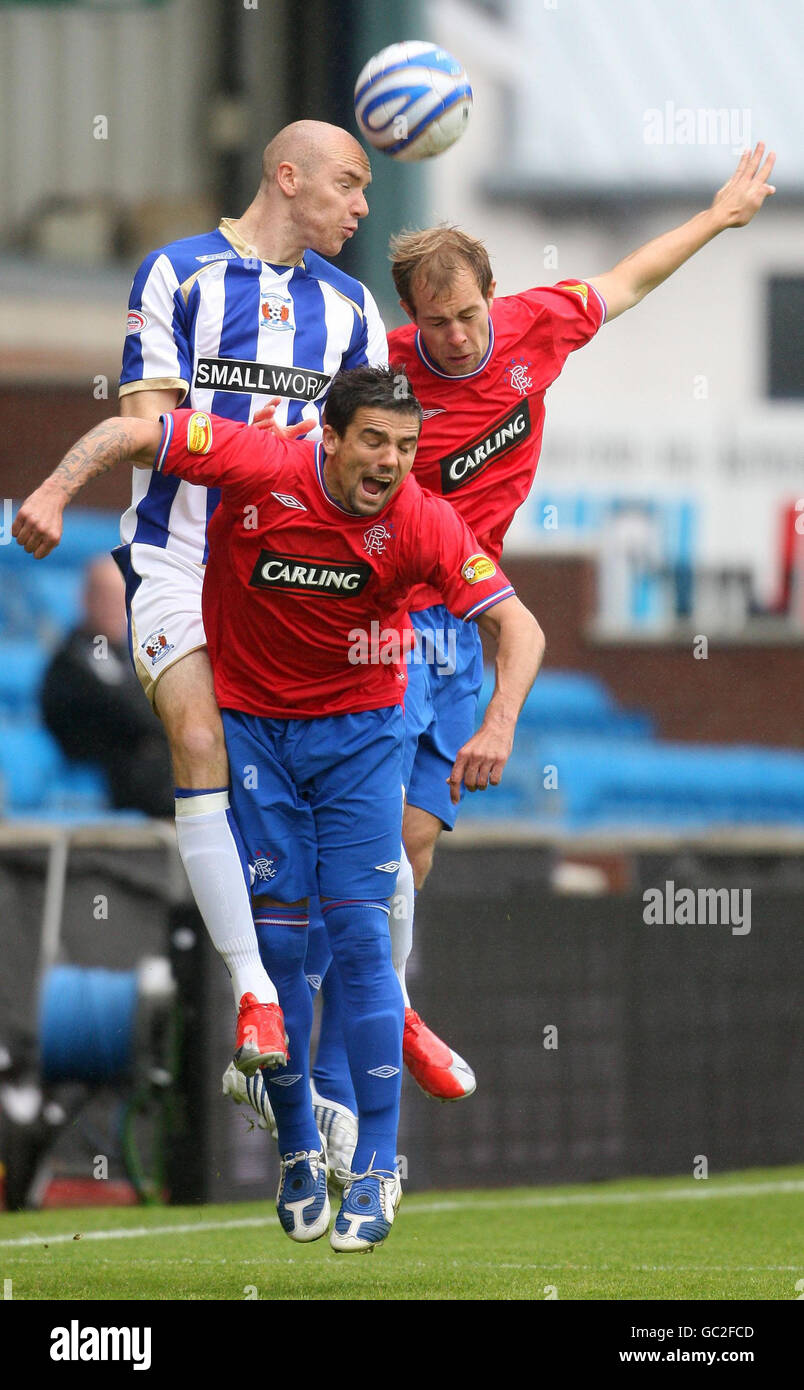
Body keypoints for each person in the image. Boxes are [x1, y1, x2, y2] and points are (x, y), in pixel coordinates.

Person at [297, 141, 777, 1128]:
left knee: (415, 845)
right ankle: (358, 1033)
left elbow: (630, 278)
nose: (462, 336)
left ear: (492, 295)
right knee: (375, 846)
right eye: (439, 323)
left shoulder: (536, 327)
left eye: (471, 313)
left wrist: (721, 215)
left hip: (464, 625)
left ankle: (383, 1010)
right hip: (383, 619)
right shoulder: (376, 377)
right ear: (411, 320)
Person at [42, 365, 546, 1251]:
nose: (391, 463)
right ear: (332, 436)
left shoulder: (421, 520)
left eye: (406, 446)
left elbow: (522, 626)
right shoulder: (260, 466)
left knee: (357, 936)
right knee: (275, 953)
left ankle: (380, 1168)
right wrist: (54, 490)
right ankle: (302, 1152)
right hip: (260, 739)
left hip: (358, 738)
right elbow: (134, 432)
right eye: (375, 442)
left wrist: (499, 723)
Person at [12, 120, 387, 1078]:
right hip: (177, 559)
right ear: (287, 175)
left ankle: (351, 1033)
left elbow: (366, 464)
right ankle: (253, 994)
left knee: (316, 801)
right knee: (197, 738)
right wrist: (61, 484)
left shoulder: (353, 313)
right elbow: (151, 428)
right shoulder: (177, 276)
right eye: (348, 184)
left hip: (287, 582)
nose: (362, 205)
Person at [41, 555, 174, 818]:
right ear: (86, 600)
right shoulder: (78, 656)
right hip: (108, 773)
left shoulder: (125, 653)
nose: (118, 609)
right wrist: (173, 719)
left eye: (122, 599)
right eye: (108, 599)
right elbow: (129, 707)